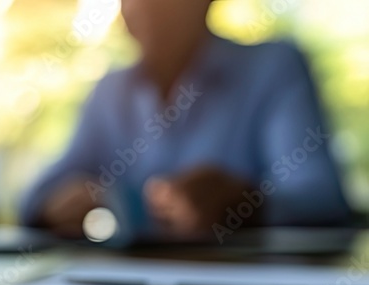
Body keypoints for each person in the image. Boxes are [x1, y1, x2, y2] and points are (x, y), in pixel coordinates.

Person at [20, 0, 351, 239]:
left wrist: (246, 203)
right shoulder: (109, 91)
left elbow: (322, 199)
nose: (143, 6)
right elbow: (32, 199)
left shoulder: (273, 67)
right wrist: (58, 205)